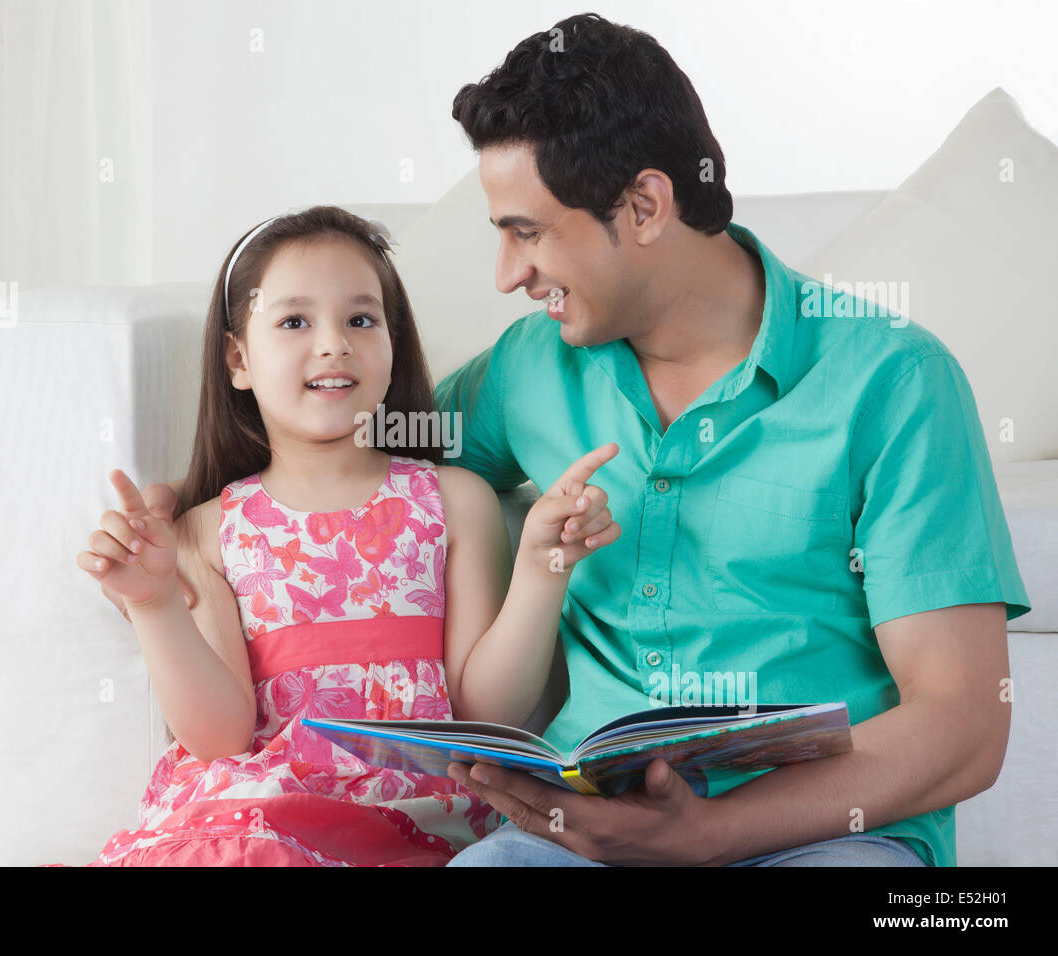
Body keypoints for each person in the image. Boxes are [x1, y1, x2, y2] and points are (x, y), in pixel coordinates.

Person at [426, 13, 1032, 867]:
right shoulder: (531, 365)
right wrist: (186, 520)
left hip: (821, 841)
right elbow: (365, 456)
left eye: (527, 231)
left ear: (643, 206)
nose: (508, 275)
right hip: (578, 837)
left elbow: (964, 723)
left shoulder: (894, 383)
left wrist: (701, 835)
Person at [74, 205, 622, 866]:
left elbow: (484, 710)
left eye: (361, 319)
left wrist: (543, 569)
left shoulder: (453, 502)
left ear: (394, 348)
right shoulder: (209, 530)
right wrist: (154, 602)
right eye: (295, 321)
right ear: (238, 359)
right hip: (269, 811)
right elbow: (220, 736)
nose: (333, 342)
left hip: (416, 805)